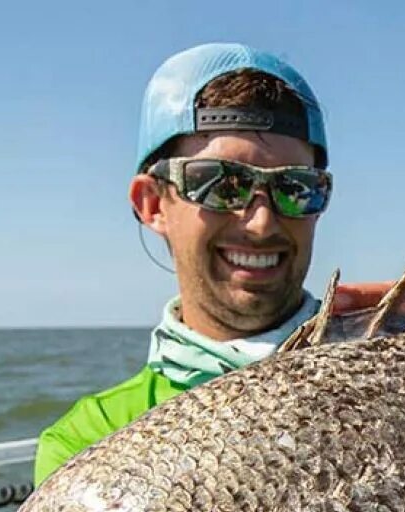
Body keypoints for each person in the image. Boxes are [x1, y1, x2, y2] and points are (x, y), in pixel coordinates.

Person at [34, 43, 372, 486]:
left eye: (296, 188)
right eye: (222, 184)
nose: (261, 222)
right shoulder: (88, 442)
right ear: (153, 203)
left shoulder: (391, 371)